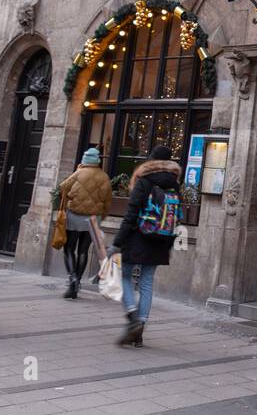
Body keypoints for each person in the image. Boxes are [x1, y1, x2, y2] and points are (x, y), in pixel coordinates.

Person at [109, 145, 184, 347]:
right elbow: (176, 216)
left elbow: (131, 214)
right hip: (161, 239)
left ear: (151, 161)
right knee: (147, 282)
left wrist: (117, 242)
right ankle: (140, 329)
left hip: (138, 237)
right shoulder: (175, 185)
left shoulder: (144, 181)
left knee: (124, 276)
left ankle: (133, 317)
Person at [56, 147, 110, 299]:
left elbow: (62, 188)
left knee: (69, 249)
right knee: (83, 251)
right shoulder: (104, 176)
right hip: (93, 219)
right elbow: (107, 200)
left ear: (85, 160)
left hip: (75, 216)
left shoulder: (79, 173)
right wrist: (102, 217)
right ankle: (78, 282)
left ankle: (72, 278)